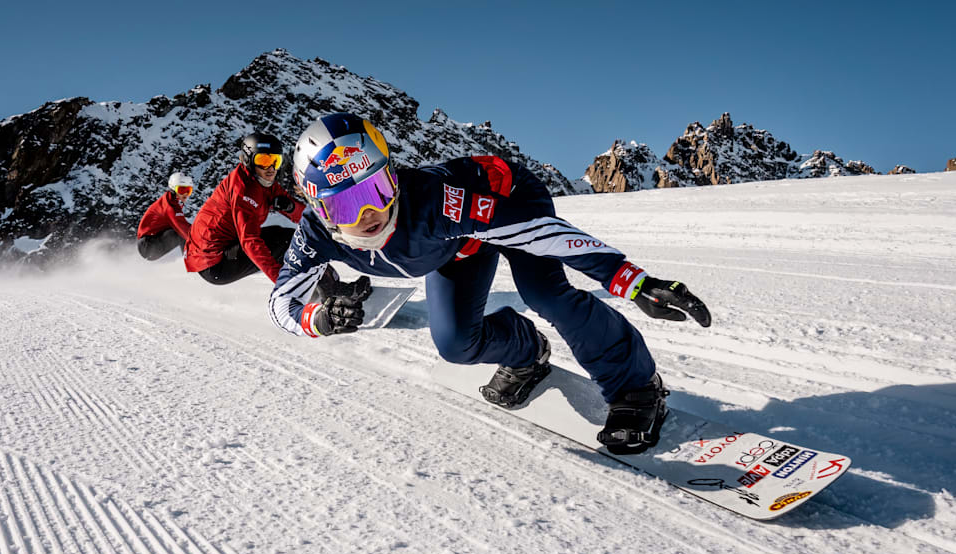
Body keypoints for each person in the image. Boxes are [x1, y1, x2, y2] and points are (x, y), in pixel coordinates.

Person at [269, 113, 712, 455]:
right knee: (455, 345)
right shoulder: (314, 236)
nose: (371, 214)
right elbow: (281, 302)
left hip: (508, 201)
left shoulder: (433, 203)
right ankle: (525, 350)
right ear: (317, 209)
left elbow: (541, 235)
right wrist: (316, 318)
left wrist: (633, 282)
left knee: (545, 292)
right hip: (458, 244)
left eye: (379, 188)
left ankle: (635, 384)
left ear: (393, 175)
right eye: (347, 203)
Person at [184, 133, 307, 285]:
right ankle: (304, 289)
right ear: (249, 160)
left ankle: (308, 285)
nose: (271, 168)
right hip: (214, 263)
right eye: (263, 160)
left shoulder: (262, 181)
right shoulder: (244, 189)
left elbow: (302, 215)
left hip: (217, 251)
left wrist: (291, 207)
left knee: (285, 236)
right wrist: (281, 282)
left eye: (276, 161)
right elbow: (250, 242)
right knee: (286, 240)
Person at [136, 172, 194, 260]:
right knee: (181, 233)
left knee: (180, 233)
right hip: (148, 246)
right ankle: (191, 263)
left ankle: (186, 261)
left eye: (188, 191)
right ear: (173, 189)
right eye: (181, 190)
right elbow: (183, 228)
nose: (185, 194)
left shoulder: (171, 200)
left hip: (152, 241)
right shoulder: (170, 205)